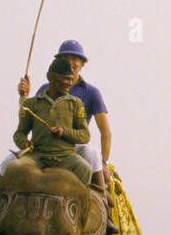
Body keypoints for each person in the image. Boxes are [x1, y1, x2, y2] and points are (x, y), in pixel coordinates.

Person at [17, 39, 111, 189]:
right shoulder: (44, 89)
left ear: (82, 64)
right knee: (8, 163)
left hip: (74, 145)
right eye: (66, 58)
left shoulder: (91, 92)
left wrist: (104, 162)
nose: (71, 62)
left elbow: (105, 131)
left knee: (92, 154)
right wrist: (24, 97)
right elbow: (29, 116)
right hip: (43, 146)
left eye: (75, 59)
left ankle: (101, 199)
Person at [11, 57, 92, 185]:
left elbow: (85, 135)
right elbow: (19, 133)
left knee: (84, 168)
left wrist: (63, 132)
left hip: (65, 157)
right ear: (51, 78)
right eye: (66, 79)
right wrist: (24, 143)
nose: (69, 83)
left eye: (71, 80)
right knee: (14, 167)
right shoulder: (31, 103)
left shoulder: (76, 104)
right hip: (37, 157)